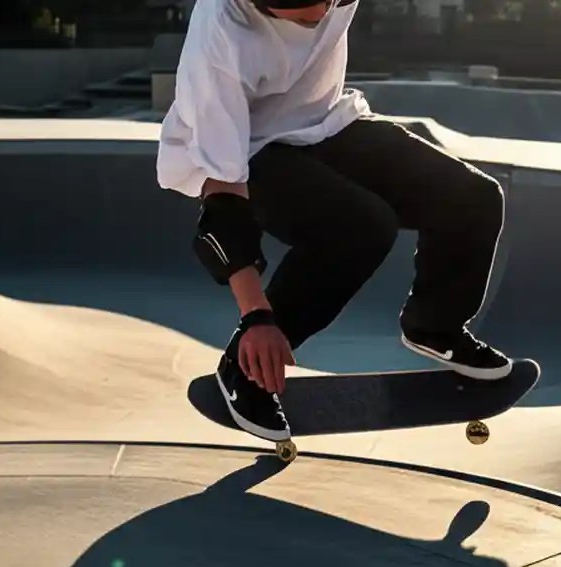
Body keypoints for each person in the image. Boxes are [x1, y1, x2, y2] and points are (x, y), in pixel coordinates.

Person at [156, 0, 511, 442]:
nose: (322, 14)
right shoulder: (221, 35)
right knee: (360, 229)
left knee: (472, 197)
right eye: (304, 11)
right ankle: (243, 369)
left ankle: (434, 324)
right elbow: (222, 198)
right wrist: (255, 319)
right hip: (250, 151)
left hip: (326, 124)